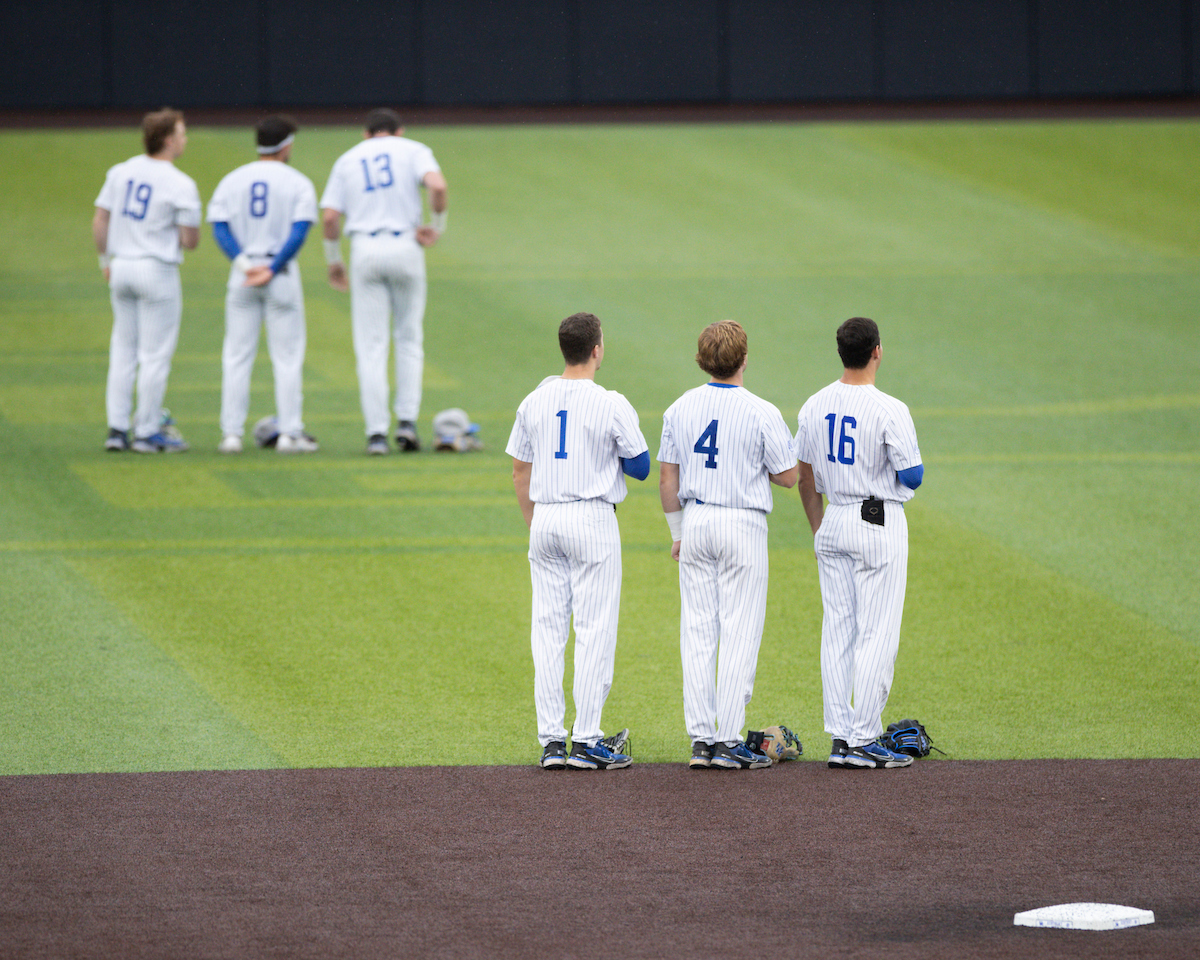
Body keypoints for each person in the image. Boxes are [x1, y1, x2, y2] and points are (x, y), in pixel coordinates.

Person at [506, 312, 650, 771]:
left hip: (545, 519)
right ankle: (587, 739)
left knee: (547, 631)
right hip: (591, 521)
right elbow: (641, 466)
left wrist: (535, 522)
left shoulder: (533, 400)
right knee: (593, 629)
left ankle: (552, 741)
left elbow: (519, 470)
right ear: (596, 349)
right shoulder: (610, 402)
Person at [658, 320, 798, 770]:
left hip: (696, 521)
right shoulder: (762, 411)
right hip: (742, 524)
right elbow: (788, 477)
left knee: (698, 631)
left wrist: (678, 533)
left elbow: (667, 478)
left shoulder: (680, 407)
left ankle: (701, 741)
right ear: (744, 358)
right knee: (740, 629)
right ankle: (728, 740)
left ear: (703, 360)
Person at [794, 317, 925, 770]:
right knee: (876, 631)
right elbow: (913, 476)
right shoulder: (889, 408)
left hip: (833, 520)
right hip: (876, 522)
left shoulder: (814, 405)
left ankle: (841, 737)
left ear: (841, 352)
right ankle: (865, 738)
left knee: (838, 630)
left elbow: (805, 477)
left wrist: (820, 528)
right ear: (877, 351)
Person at [319, 108, 448, 455]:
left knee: (371, 346)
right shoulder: (413, 150)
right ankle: (407, 422)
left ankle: (376, 433)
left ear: (366, 133)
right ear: (399, 131)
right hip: (406, 246)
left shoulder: (348, 158)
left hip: (365, 250)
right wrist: (437, 226)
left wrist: (334, 260)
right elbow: (437, 185)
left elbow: (329, 218)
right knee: (409, 338)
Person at [207, 115, 319, 454]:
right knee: (287, 358)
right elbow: (299, 232)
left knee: (236, 356)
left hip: (243, 275)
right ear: (286, 146)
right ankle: (289, 434)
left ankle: (231, 435)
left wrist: (245, 265)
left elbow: (220, 228)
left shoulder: (232, 180)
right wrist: (272, 267)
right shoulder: (298, 182)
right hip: (280, 274)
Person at [93, 108, 201, 453]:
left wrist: (105, 261)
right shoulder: (180, 183)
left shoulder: (120, 171)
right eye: (181, 134)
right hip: (157, 270)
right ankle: (147, 430)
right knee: (155, 355)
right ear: (168, 140)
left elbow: (100, 219)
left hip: (121, 266)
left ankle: (117, 429)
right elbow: (190, 241)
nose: (185, 139)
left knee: (123, 349)